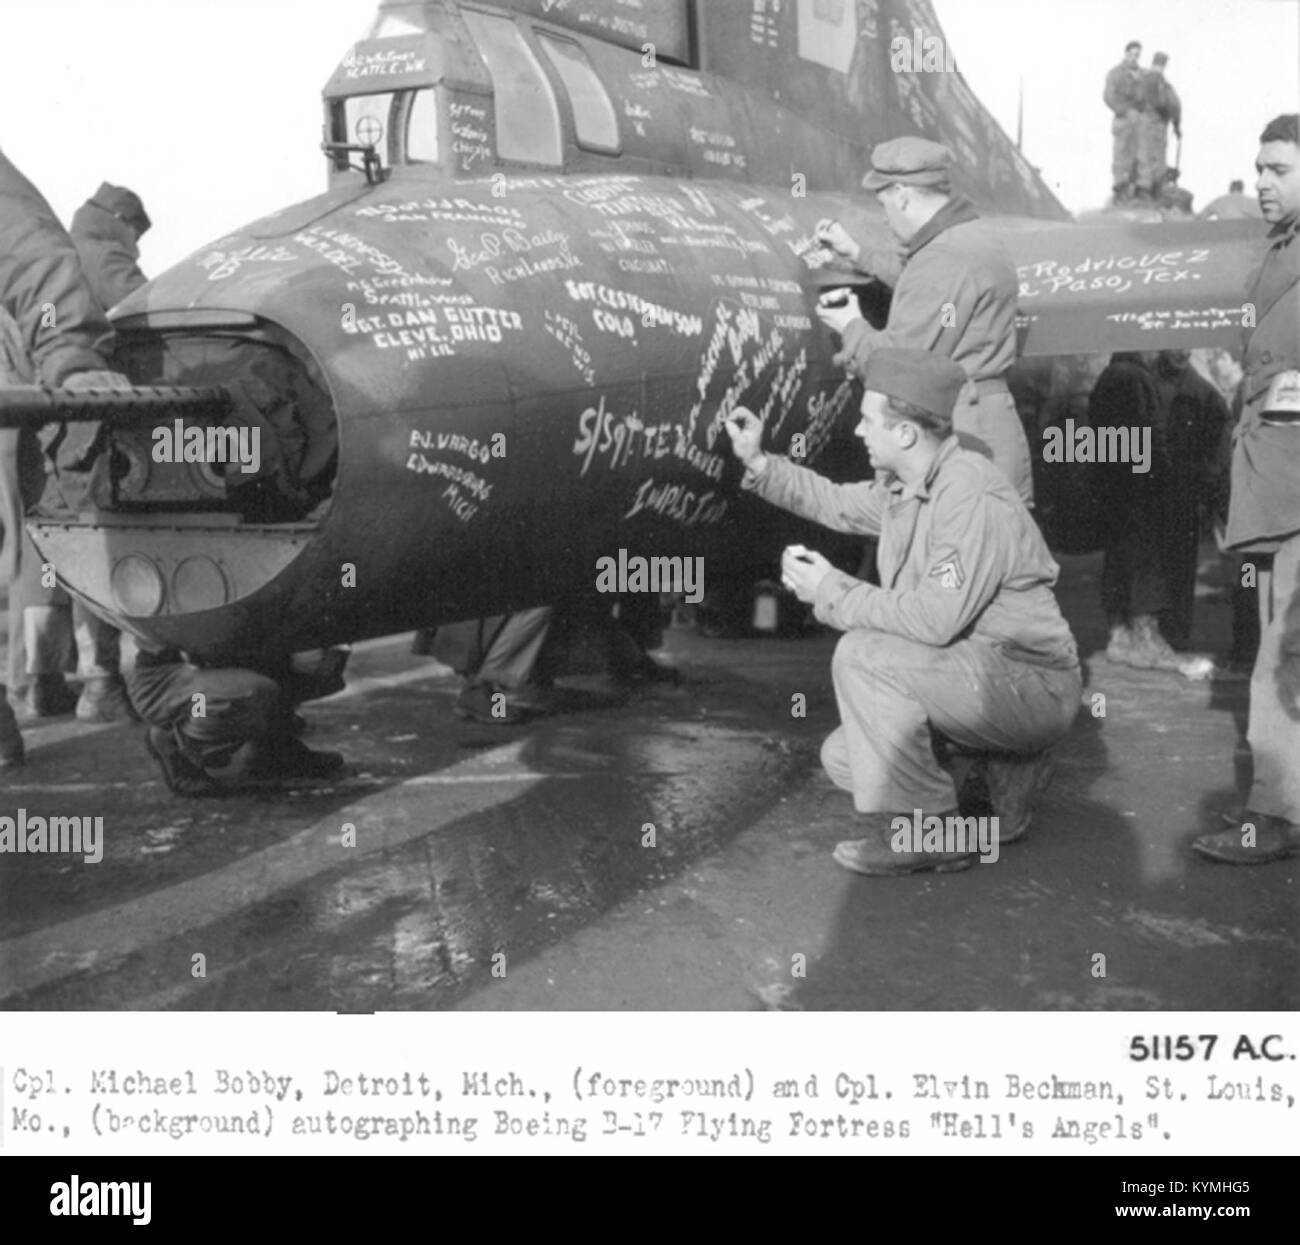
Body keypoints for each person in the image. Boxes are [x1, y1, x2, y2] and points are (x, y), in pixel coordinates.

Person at [725, 348, 1082, 877]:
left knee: (863, 656)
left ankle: (937, 833)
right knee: (848, 756)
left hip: (1028, 683)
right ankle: (999, 780)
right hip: (974, 676)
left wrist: (832, 590)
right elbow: (835, 503)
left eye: (869, 420)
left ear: (907, 435)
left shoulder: (968, 496)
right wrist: (759, 462)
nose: (857, 432)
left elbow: (935, 619)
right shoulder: (908, 488)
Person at [0, 149, 136, 753]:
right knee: (66, 540)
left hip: (29, 407)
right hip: (29, 416)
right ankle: (82, 679)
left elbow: (28, 256)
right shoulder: (108, 258)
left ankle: (41, 679)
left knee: (42, 555)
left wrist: (72, 357)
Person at [814, 136, 1034, 505]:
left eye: (884, 203)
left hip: (960, 439)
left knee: (958, 556)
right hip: (988, 425)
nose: (884, 217)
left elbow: (898, 366)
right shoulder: (974, 238)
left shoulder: (942, 257)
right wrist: (859, 254)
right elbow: (939, 294)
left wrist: (850, 324)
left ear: (902, 195)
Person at [1194, 113, 1300, 865]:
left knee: (1279, 656)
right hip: (1276, 481)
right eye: (1259, 169)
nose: (1263, 183)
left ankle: (1277, 813)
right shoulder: (1278, 254)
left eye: (1280, 171)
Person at [1092, 351, 1222, 674]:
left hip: (1116, 485)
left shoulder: (1110, 376)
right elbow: (1147, 435)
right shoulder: (1136, 378)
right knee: (1146, 560)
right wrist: (1165, 472)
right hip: (1143, 488)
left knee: (1120, 555)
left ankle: (1121, 636)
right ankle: (1148, 640)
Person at [128, 646, 345, 796]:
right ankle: (180, 741)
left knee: (321, 661)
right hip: (176, 674)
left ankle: (274, 746)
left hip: (219, 662)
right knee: (244, 690)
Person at [1104, 41, 1146, 202]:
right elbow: (1109, 96)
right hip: (1123, 119)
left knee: (1141, 155)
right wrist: (1126, 110)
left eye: (1137, 55)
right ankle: (1120, 188)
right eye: (1132, 54)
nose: (1134, 58)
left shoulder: (1142, 74)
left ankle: (1138, 189)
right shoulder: (1115, 73)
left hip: (1140, 120)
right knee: (1121, 155)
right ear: (1126, 53)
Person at [1136, 52, 1181, 202]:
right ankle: (1153, 192)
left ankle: (1144, 191)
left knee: (1145, 156)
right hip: (1157, 124)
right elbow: (1174, 105)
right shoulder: (1161, 82)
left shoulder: (1141, 78)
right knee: (1156, 158)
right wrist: (1176, 125)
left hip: (1144, 124)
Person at [1200, 180, 1264, 222]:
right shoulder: (1249, 201)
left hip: (1224, 234)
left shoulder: (1219, 201)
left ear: (1230, 188)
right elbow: (1263, 216)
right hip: (1244, 234)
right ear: (1242, 188)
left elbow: (1201, 216)